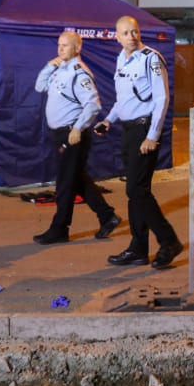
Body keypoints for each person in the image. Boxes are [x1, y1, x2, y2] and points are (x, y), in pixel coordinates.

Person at [95, 16, 182, 269]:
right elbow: (123, 99)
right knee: (134, 193)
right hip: (128, 130)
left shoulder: (151, 59)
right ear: (118, 37)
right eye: (126, 33)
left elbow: (162, 99)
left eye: (135, 31)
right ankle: (138, 249)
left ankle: (169, 241)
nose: (131, 36)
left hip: (144, 130)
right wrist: (109, 120)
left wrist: (152, 136)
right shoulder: (121, 59)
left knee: (137, 190)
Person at [31, 31, 121, 246]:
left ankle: (59, 229)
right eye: (59, 45)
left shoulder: (80, 74)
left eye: (65, 46)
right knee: (77, 180)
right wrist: (50, 65)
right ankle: (107, 215)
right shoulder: (60, 69)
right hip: (61, 133)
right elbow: (39, 86)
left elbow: (93, 104)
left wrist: (78, 129)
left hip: (71, 134)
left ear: (77, 48)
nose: (60, 49)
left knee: (65, 183)